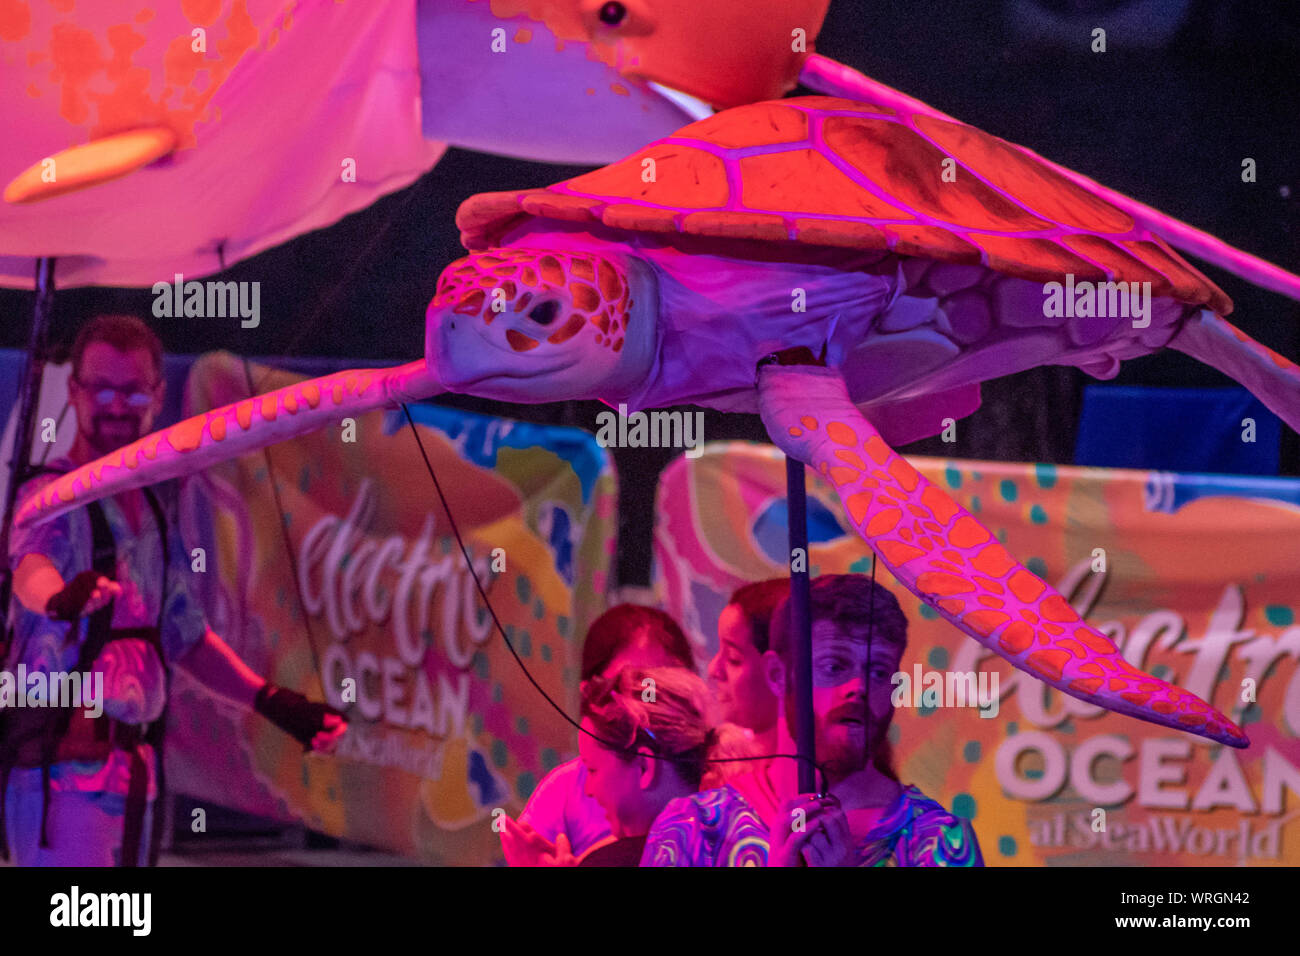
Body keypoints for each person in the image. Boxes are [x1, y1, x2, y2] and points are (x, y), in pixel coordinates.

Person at [0, 314, 346, 866]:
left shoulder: (155, 513)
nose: (117, 405)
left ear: (158, 396)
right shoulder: (54, 496)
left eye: (133, 391)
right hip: (64, 780)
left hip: (135, 776)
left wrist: (272, 701)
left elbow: (185, 637)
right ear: (74, 392)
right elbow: (30, 570)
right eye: (101, 389)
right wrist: (58, 598)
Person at [733, 573, 983, 867]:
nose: (858, 687)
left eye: (878, 672)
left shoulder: (941, 842)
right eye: (834, 666)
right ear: (778, 675)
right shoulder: (702, 825)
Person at [499, 603, 696, 866]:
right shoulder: (562, 794)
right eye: (631, 685)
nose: (651, 704)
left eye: (664, 687)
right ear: (592, 697)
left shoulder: (721, 792)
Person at [578, 665, 768, 866]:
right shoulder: (748, 838)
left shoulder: (612, 862)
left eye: (592, 770)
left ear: (644, 767)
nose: (588, 789)